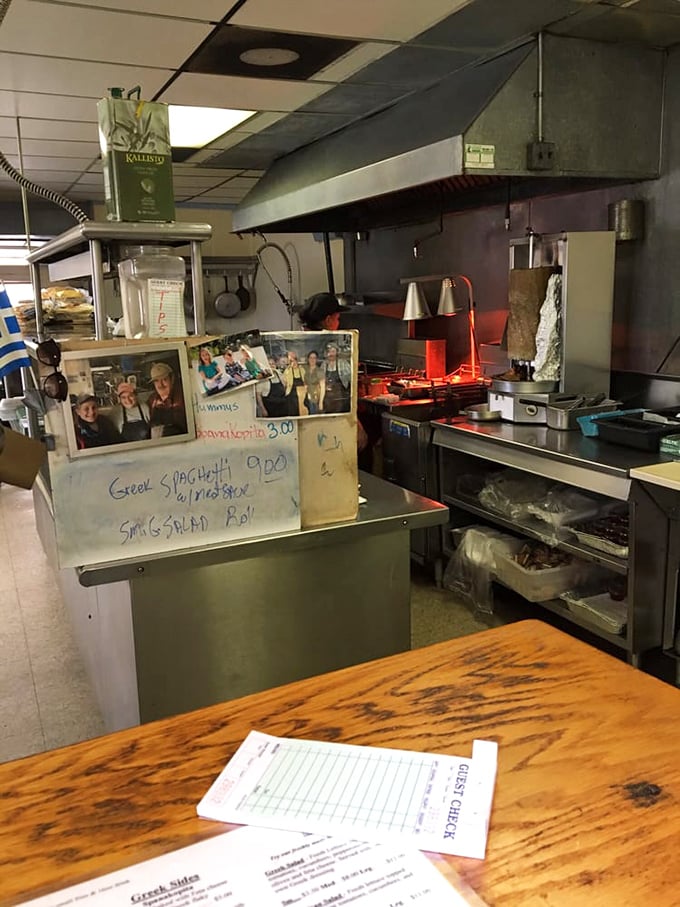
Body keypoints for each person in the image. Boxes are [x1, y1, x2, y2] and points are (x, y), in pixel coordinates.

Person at [147, 362, 187, 437]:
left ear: (172, 379)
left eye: (164, 379)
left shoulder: (183, 396)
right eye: (156, 381)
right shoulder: (151, 400)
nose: (160, 384)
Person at [321, 342, 351, 414]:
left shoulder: (343, 363)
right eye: (329, 351)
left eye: (333, 351)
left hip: (341, 396)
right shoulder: (324, 364)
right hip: (328, 398)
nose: (331, 354)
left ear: (337, 352)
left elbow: (351, 378)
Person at [282, 350, 307, 416]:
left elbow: (305, 382)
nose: (293, 362)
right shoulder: (287, 371)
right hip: (291, 396)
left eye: (294, 359)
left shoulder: (302, 369)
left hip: (302, 397)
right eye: (291, 360)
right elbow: (284, 384)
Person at [302, 350, 325, 414]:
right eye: (311, 358)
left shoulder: (320, 371)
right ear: (308, 359)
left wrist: (321, 402)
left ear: (316, 359)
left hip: (316, 398)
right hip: (306, 398)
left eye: (314, 358)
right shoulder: (305, 369)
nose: (312, 360)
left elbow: (323, 387)